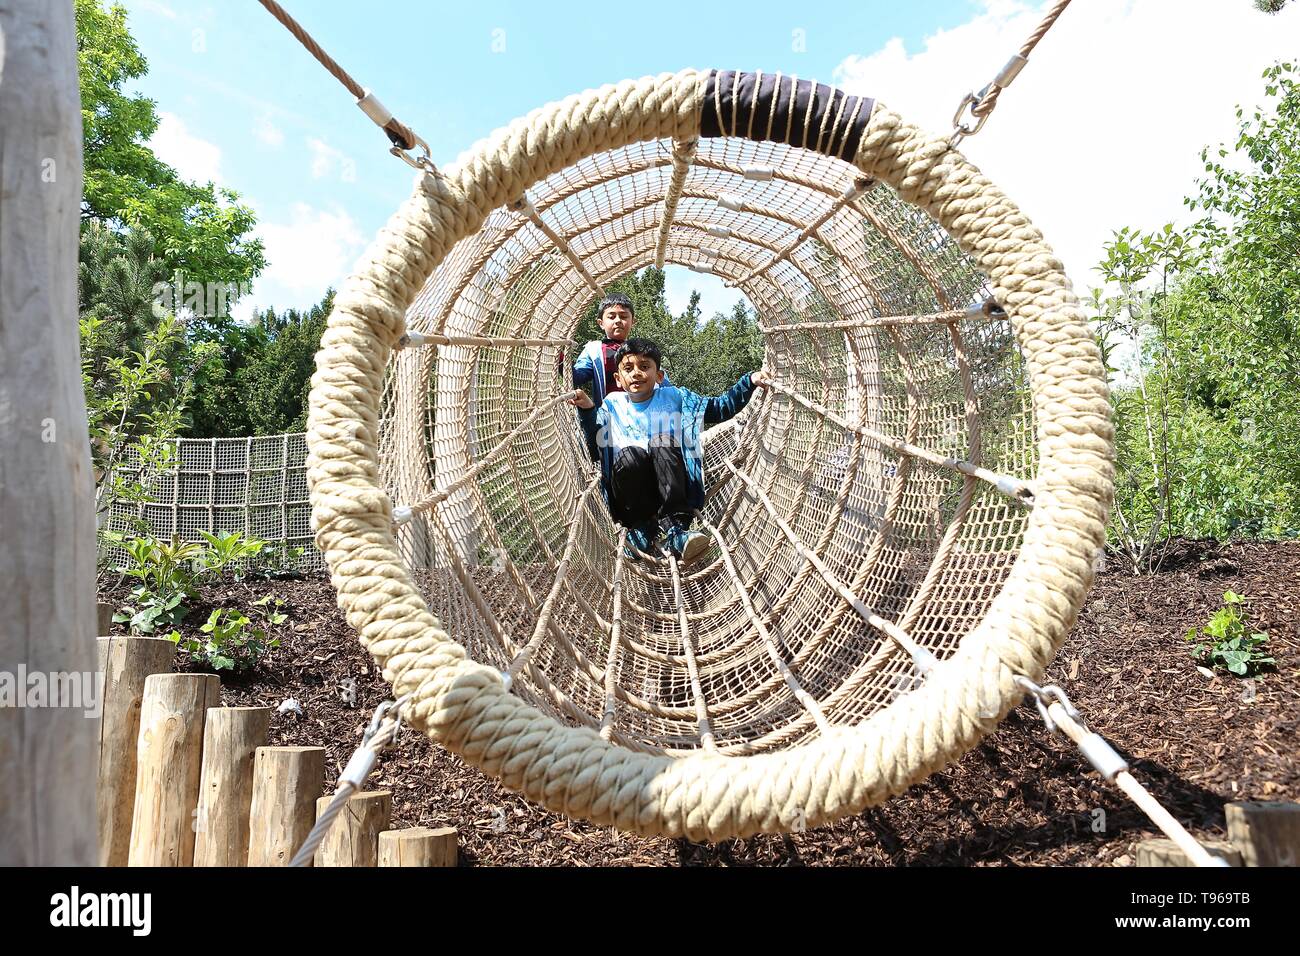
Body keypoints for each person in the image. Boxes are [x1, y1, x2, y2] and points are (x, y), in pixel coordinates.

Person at [572, 338, 769, 564]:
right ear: (618, 378)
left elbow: (719, 408)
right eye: (628, 368)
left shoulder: (675, 397)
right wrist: (587, 410)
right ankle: (641, 529)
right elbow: (594, 449)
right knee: (629, 454)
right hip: (631, 496)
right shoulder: (612, 404)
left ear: (659, 376)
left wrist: (749, 381)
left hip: (672, 487)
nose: (636, 373)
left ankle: (676, 531)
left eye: (644, 367)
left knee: (662, 442)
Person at [571, 292, 669, 408]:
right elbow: (577, 377)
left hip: (645, 414)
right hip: (611, 417)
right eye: (611, 317)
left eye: (623, 316)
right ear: (601, 323)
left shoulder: (642, 350)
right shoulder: (593, 350)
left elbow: (664, 385)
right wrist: (559, 358)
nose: (617, 320)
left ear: (633, 322)